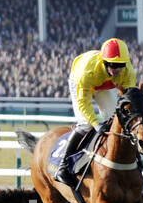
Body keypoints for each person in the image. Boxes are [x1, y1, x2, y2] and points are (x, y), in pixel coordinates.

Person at [54, 38, 138, 189]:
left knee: (113, 120)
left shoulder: (128, 71)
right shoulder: (87, 72)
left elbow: (129, 99)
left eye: (121, 65)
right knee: (85, 124)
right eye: (114, 65)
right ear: (105, 62)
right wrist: (95, 124)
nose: (118, 69)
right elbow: (83, 103)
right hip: (81, 80)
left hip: (104, 85)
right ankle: (63, 166)